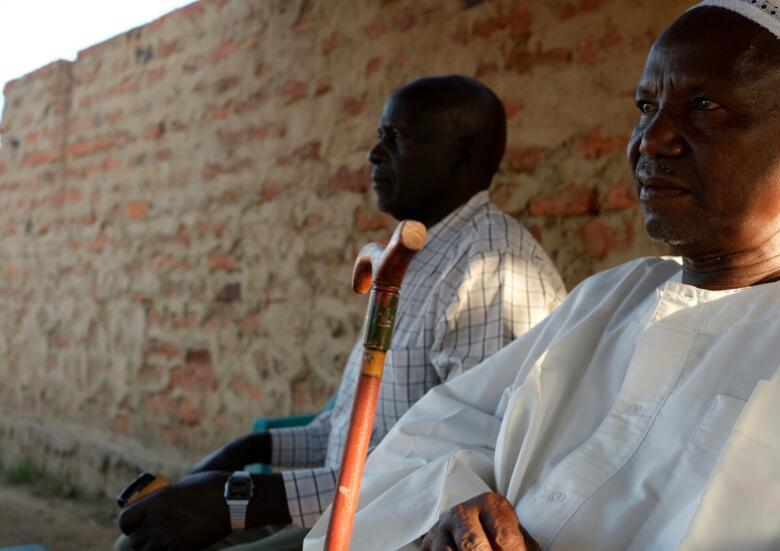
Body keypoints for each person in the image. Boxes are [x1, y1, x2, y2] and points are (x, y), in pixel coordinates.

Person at [302, 2, 780, 550]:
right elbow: (408, 456)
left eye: (705, 107)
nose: (652, 139)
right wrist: (459, 518)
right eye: (646, 106)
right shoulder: (609, 298)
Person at [115, 75, 566, 551]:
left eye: (396, 138)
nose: (374, 153)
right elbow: (353, 434)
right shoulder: (420, 256)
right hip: (344, 515)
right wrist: (248, 451)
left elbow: (454, 478)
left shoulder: (491, 269)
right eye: (379, 136)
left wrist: (236, 500)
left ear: (462, 155)